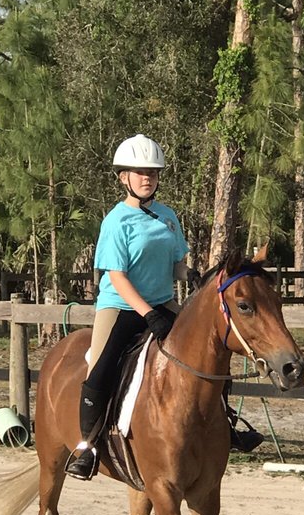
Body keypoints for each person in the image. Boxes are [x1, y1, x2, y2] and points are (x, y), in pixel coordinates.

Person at [65, 133, 262, 481]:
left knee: (210, 354)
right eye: (140, 172)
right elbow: (118, 277)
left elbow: (174, 265)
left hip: (163, 303)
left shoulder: (167, 216)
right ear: (123, 176)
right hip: (121, 306)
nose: (147, 178)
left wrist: (192, 274)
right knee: (101, 370)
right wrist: (148, 314)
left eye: (153, 173)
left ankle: (224, 424)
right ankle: (88, 447)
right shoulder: (116, 222)